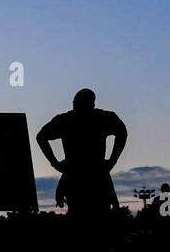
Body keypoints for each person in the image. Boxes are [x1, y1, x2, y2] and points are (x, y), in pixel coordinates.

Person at [36, 88, 127, 218]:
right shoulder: (73, 119)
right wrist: (55, 163)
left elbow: (122, 132)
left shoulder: (69, 120)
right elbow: (41, 137)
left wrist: (55, 163)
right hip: (86, 177)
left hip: (90, 177)